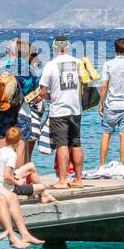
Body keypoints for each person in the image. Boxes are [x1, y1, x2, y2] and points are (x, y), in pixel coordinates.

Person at [38, 34, 85, 189]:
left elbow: (42, 92)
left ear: (54, 47)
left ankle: (63, 180)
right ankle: (78, 179)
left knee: (62, 145)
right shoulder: (78, 63)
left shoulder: (50, 65)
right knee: (76, 143)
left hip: (59, 110)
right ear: (68, 46)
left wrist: (50, 96)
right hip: (76, 109)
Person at [98, 36, 124, 166]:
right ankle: (122, 164)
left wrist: (100, 103)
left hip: (111, 104)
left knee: (106, 135)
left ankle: (102, 165)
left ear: (115, 50)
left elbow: (104, 85)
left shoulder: (108, 65)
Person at [0, 127, 57, 203]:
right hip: (9, 188)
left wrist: (15, 178)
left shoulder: (2, 150)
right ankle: (45, 194)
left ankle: (45, 195)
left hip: (1, 183)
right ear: (18, 140)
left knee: (30, 166)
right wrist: (18, 183)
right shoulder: (11, 154)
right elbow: (6, 176)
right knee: (42, 187)